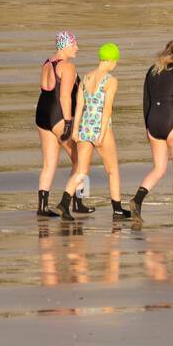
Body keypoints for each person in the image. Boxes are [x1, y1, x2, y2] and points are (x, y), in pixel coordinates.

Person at [131, 39, 173, 224]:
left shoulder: (152, 70)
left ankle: (137, 200)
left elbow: (146, 101)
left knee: (159, 168)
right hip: (172, 122)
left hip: (153, 122)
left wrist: (147, 127)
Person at [35, 29, 92, 219]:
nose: (77, 47)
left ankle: (42, 207)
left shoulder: (47, 63)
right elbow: (65, 96)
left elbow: (47, 90)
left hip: (42, 115)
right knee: (80, 160)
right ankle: (77, 202)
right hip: (59, 116)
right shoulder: (67, 66)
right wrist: (68, 122)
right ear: (65, 45)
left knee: (49, 163)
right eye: (74, 44)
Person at [70, 43, 131, 219]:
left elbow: (79, 105)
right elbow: (107, 110)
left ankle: (67, 202)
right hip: (100, 127)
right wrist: (102, 134)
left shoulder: (86, 78)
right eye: (115, 62)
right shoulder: (110, 80)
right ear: (111, 60)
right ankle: (117, 209)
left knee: (81, 169)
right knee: (112, 170)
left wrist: (75, 130)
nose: (115, 65)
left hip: (85, 127)